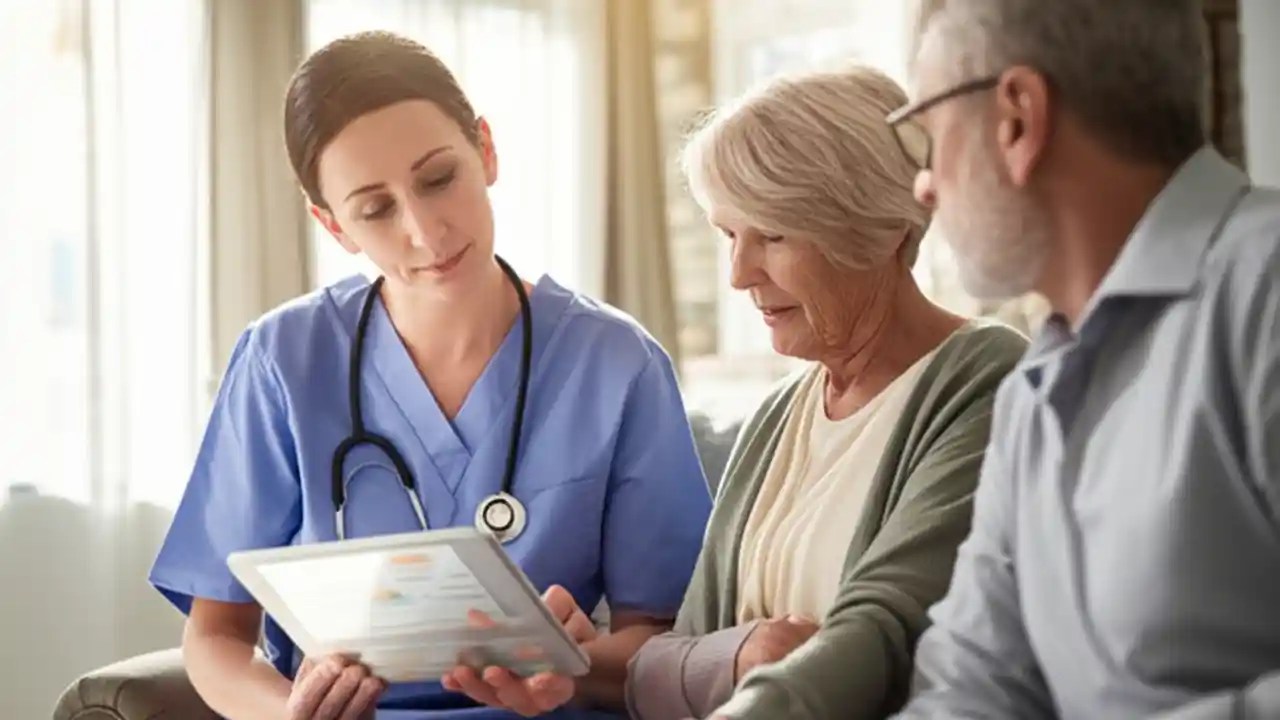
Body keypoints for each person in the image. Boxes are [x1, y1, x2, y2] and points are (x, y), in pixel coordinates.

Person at [148, 31, 712, 720]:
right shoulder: (283, 360)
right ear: (333, 226)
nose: (425, 230)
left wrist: (579, 660)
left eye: (438, 178)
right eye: (375, 209)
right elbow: (216, 636)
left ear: (487, 150)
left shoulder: (618, 364)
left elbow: (661, 637)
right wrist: (287, 714)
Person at [443, 65, 1027, 720]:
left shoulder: (988, 380)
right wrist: (574, 663)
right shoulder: (782, 412)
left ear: (885, 227)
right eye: (728, 234)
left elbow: (879, 638)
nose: (738, 274)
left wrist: (717, 663)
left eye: (773, 235)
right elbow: (692, 652)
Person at [890, 1, 1280, 718]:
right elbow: (971, 684)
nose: (924, 185)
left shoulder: (1266, 294)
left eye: (928, 137)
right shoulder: (1031, 390)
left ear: (1017, 121)